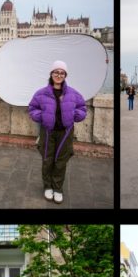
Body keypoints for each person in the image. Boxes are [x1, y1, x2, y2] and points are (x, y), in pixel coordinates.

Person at [28, 60, 87, 205]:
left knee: (61, 161)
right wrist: (41, 116)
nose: (59, 75)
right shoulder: (41, 93)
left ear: (65, 75)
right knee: (47, 160)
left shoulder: (73, 93)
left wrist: (75, 115)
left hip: (65, 132)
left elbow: (82, 108)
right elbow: (32, 108)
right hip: (48, 132)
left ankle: (58, 188)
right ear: (51, 74)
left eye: (62, 73)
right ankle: (47, 186)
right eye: (56, 72)